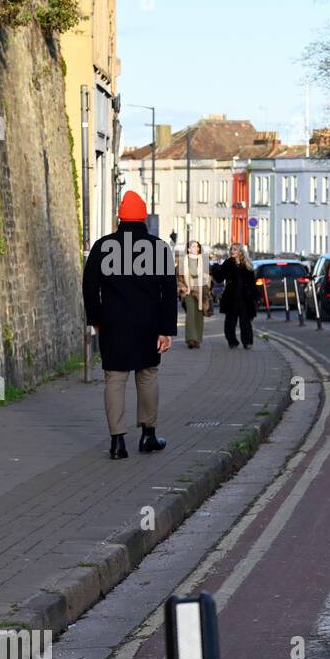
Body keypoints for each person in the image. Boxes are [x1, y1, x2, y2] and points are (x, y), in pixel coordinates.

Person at [82, 191, 174, 460]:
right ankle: (148, 436)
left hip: (113, 323)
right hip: (148, 324)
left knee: (115, 377)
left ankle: (117, 442)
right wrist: (166, 329)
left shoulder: (103, 246)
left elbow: (90, 287)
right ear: (143, 216)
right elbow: (167, 292)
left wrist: (96, 319)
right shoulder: (158, 248)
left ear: (119, 216)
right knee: (147, 375)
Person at [217, 242, 258, 349]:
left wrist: (255, 296)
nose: (232, 251)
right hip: (231, 297)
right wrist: (216, 269)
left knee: (245, 321)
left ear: (240, 251)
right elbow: (220, 278)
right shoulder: (228, 263)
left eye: (234, 249)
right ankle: (232, 341)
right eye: (231, 249)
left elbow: (252, 283)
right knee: (230, 322)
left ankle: (247, 342)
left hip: (245, 298)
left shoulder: (247, 264)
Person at [176, 239, 210, 348]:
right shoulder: (183, 261)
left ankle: (198, 339)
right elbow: (178, 277)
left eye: (198, 247)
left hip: (200, 291)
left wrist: (207, 284)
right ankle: (191, 339)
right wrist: (182, 287)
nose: (197, 248)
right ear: (188, 249)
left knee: (199, 315)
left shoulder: (203, 261)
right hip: (188, 291)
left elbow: (208, 277)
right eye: (194, 246)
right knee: (190, 314)